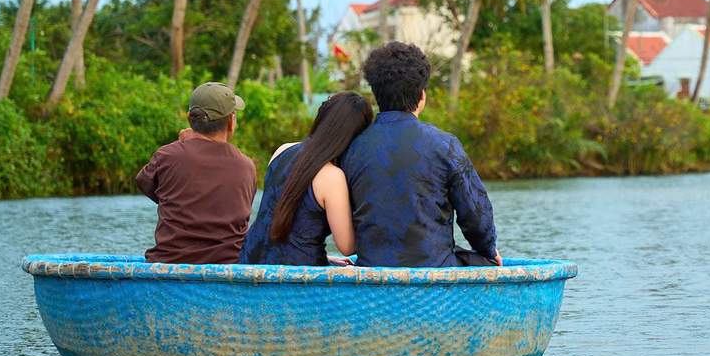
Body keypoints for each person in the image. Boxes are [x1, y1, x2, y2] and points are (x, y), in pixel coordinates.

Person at [342, 42, 501, 267]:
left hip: (372, 268)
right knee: (485, 262)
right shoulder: (445, 145)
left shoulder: (352, 148)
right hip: (435, 267)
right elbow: (476, 217)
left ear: (376, 95)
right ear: (421, 95)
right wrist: (489, 249)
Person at [239, 92, 373, 266]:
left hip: (251, 262)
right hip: (299, 278)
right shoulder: (332, 177)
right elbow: (347, 246)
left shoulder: (283, 150)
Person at [136, 82, 257, 264]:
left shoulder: (167, 155)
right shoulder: (246, 166)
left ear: (189, 119)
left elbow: (146, 184)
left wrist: (184, 145)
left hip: (169, 262)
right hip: (227, 265)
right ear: (231, 122)